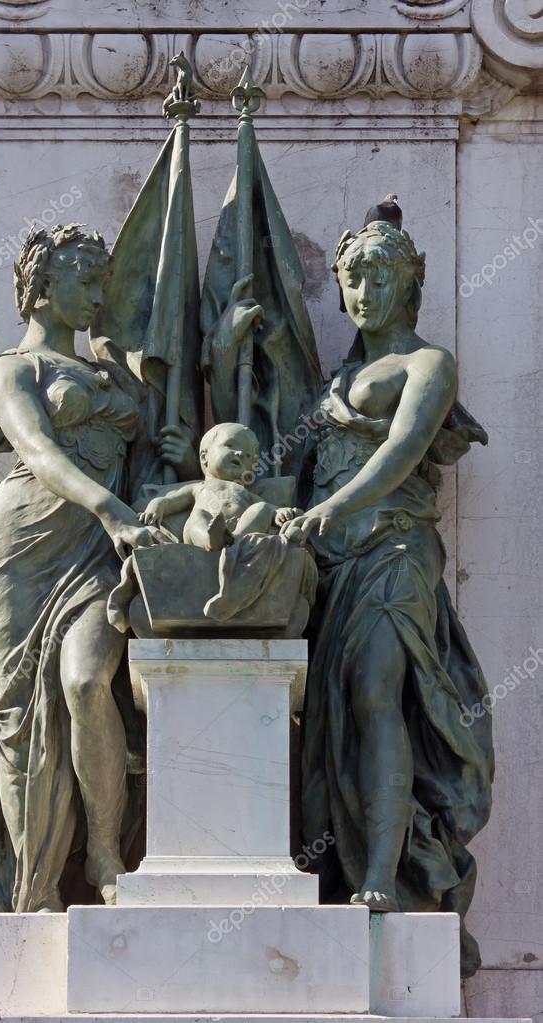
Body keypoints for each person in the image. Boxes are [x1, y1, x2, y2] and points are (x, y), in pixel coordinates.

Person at [0, 223, 196, 1001]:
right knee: (20, 725)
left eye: (104, 276)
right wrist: (112, 504)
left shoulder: (116, 376)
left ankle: (109, 857)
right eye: (85, 276)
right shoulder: (10, 371)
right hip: (23, 550)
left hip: (98, 553)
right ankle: (33, 889)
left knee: (86, 683)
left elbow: (155, 465)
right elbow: (39, 452)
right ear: (42, 285)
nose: (99, 290)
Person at [278, 217, 494, 976]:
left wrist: (333, 508)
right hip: (329, 570)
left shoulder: (429, 363)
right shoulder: (330, 384)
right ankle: (343, 863)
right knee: (329, 721)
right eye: (353, 277)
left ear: (412, 279)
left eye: (380, 273)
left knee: (377, 692)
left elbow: (403, 451)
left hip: (394, 552)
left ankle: (383, 874)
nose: (365, 290)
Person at [140, 422, 300, 550]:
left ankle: (237, 539)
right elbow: (168, 501)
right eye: (230, 446)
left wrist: (278, 511)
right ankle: (209, 539)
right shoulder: (199, 487)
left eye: (249, 455)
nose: (240, 454)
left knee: (262, 507)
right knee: (196, 518)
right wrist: (154, 508)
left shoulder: (243, 491)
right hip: (209, 525)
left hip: (238, 528)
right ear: (204, 457)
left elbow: (267, 508)